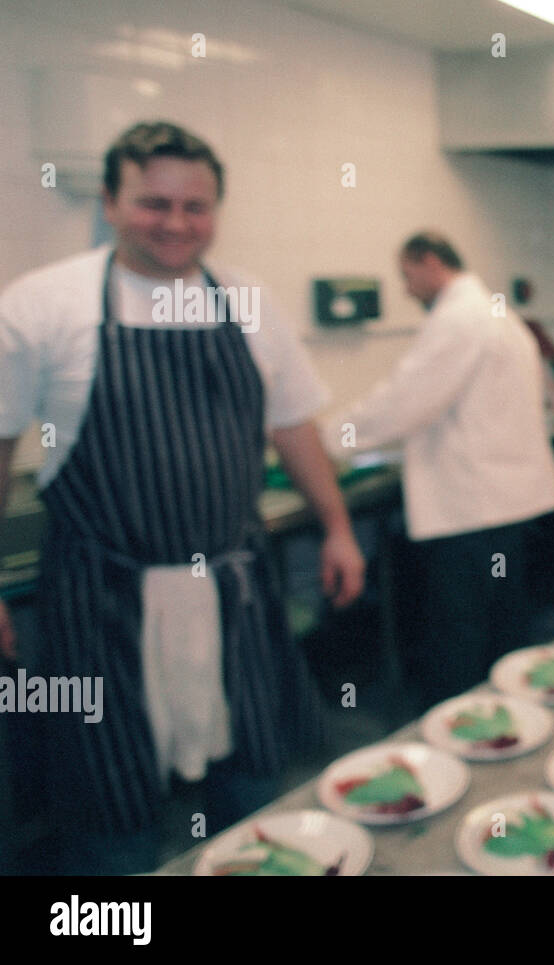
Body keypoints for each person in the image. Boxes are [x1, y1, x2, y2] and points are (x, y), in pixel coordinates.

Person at [0, 121, 366, 874]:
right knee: (110, 807)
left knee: (257, 782)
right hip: (100, 599)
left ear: (216, 211)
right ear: (110, 201)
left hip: (233, 592)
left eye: (195, 207)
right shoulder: (43, 305)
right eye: (153, 203)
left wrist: (336, 525)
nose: (175, 223)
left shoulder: (249, 301)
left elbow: (294, 426)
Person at [328, 232, 554, 706]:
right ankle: (510, 725)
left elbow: (406, 400)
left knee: (461, 641)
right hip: (507, 508)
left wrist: (325, 438)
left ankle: (464, 738)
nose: (407, 289)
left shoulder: (460, 317)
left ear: (430, 262)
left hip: (473, 512)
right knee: (504, 634)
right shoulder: (498, 313)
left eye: (407, 276)